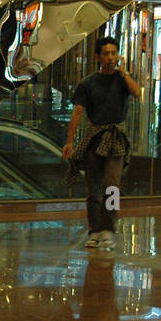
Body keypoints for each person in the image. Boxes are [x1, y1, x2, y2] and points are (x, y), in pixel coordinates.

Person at [63, 36, 141, 251]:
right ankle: (94, 230)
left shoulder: (122, 80)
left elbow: (137, 93)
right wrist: (70, 141)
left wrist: (124, 72)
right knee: (93, 188)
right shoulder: (87, 84)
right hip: (95, 137)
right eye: (106, 54)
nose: (110, 58)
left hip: (116, 138)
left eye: (113, 53)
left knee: (112, 186)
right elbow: (78, 111)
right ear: (98, 57)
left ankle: (109, 229)